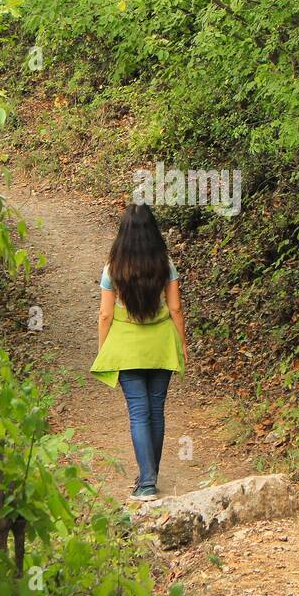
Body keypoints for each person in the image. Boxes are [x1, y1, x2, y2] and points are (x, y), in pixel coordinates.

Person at [90, 204, 187, 501]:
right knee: (156, 410)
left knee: (138, 413)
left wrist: (103, 348)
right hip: (160, 346)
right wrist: (182, 343)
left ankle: (147, 482)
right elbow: (175, 308)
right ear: (153, 232)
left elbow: (105, 315)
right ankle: (149, 475)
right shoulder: (165, 264)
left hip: (126, 348)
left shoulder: (113, 268)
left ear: (124, 233)